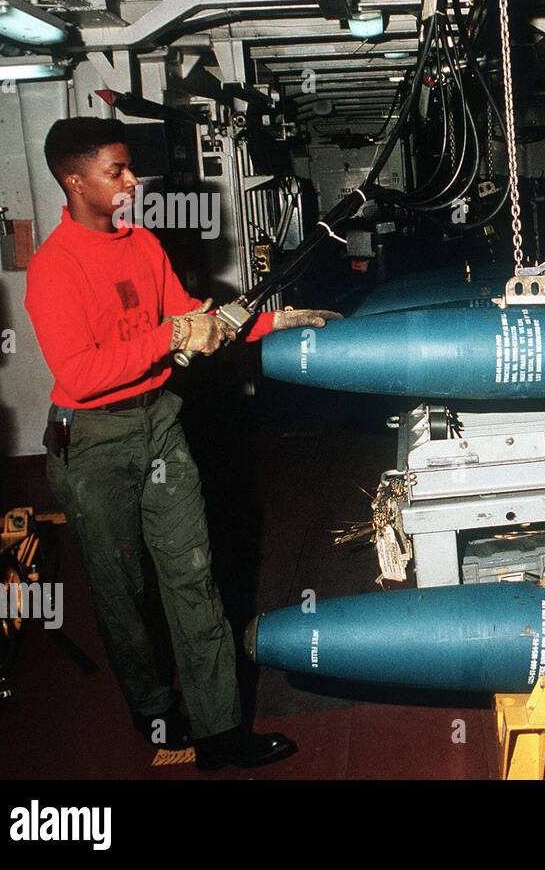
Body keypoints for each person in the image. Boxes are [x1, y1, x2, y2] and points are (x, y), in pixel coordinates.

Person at [25, 117, 340, 769]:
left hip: (159, 423)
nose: (133, 180)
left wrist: (274, 320)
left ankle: (221, 730)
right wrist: (169, 338)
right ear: (74, 180)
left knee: (193, 575)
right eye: (117, 171)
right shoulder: (53, 268)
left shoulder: (141, 244)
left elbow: (194, 315)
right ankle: (153, 710)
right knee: (123, 592)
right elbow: (79, 372)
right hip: (93, 442)